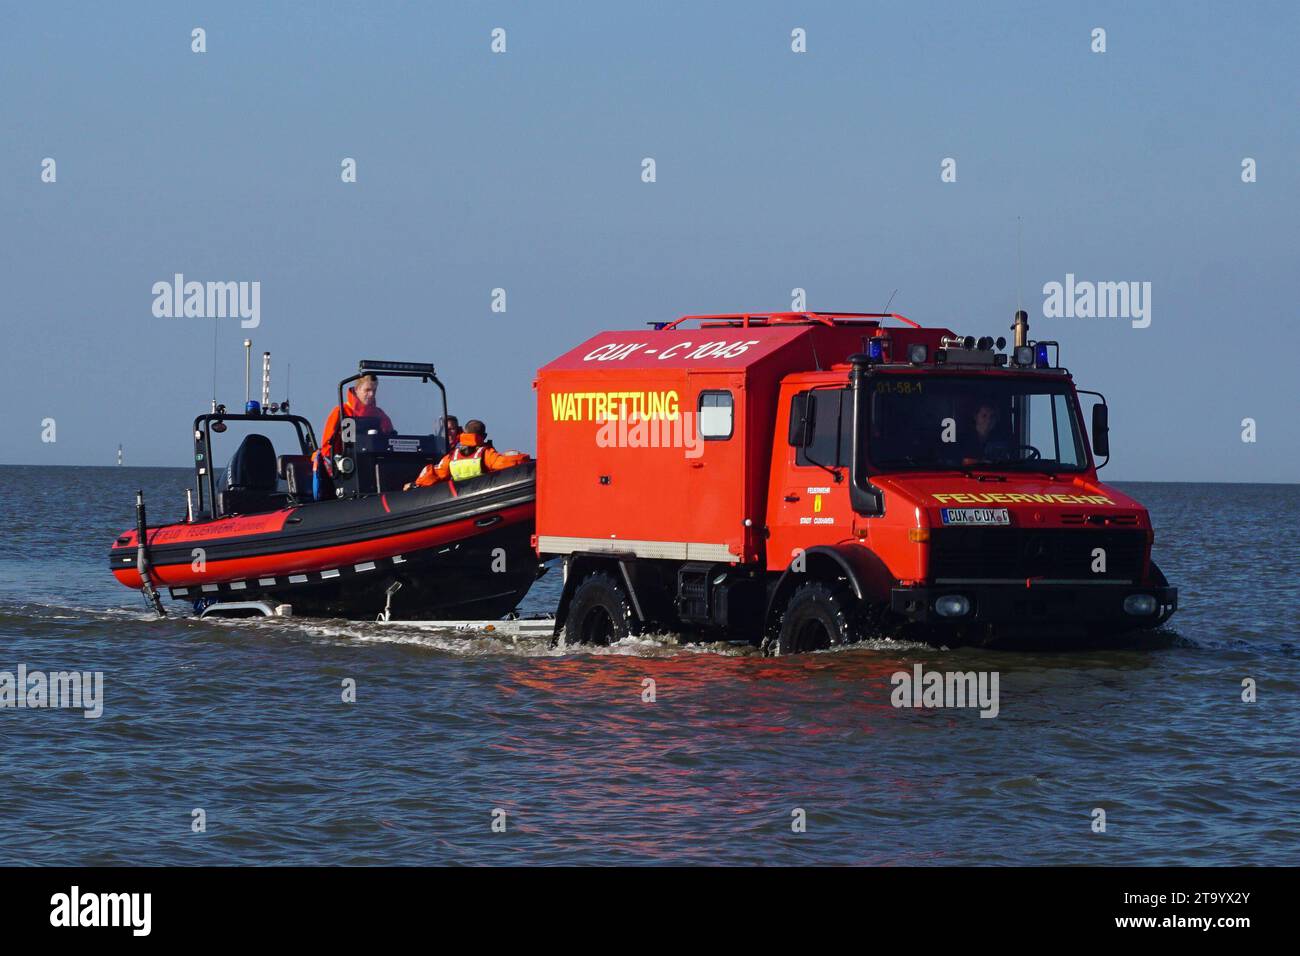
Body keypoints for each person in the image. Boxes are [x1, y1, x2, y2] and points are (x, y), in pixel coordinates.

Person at [312, 374, 394, 499]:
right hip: (347, 472)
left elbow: (390, 441)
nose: (371, 394)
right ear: (357, 390)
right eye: (367, 390)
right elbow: (327, 449)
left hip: (375, 470)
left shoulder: (380, 415)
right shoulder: (341, 413)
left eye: (374, 390)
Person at [404, 419, 528, 489]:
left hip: (458, 496)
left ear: (464, 432)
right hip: (482, 492)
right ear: (483, 436)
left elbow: (435, 472)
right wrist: (527, 460)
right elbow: (503, 463)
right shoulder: (485, 453)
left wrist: (416, 484)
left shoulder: (452, 456)